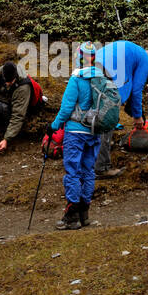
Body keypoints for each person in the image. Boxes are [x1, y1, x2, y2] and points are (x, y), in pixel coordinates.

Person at [50, 43, 105, 230]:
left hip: (75, 131)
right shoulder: (101, 78)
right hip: (94, 131)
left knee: (73, 171)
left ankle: (72, 217)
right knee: (88, 170)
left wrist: (54, 125)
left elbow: (66, 108)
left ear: (80, 57)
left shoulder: (76, 79)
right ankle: (85, 214)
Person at [96, 41, 148, 178]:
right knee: (106, 120)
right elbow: (136, 90)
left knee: (92, 116)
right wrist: (137, 116)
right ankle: (101, 167)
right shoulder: (145, 60)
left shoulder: (132, 50)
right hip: (106, 75)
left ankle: (87, 160)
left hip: (89, 66)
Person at [0, 61, 37, 157]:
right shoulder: (1, 71)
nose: (7, 84)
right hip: (0, 102)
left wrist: (6, 139)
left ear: (15, 77)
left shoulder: (23, 87)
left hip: (12, 110)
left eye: (10, 82)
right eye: (5, 81)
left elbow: (18, 116)